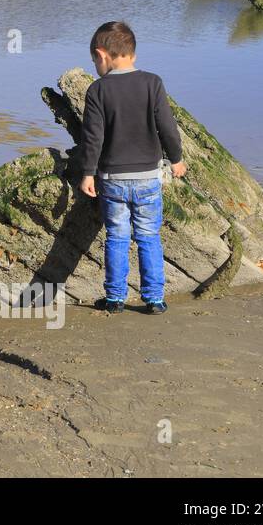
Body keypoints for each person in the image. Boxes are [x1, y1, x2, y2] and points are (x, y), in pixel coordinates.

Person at [77, 21, 186, 314]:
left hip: (112, 178)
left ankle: (115, 298)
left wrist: (87, 172)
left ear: (101, 55)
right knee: (149, 236)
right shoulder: (152, 83)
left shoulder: (98, 90)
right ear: (133, 54)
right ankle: (154, 299)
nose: (95, 67)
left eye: (94, 61)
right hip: (148, 177)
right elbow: (167, 127)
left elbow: (93, 137)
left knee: (117, 236)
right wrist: (176, 158)